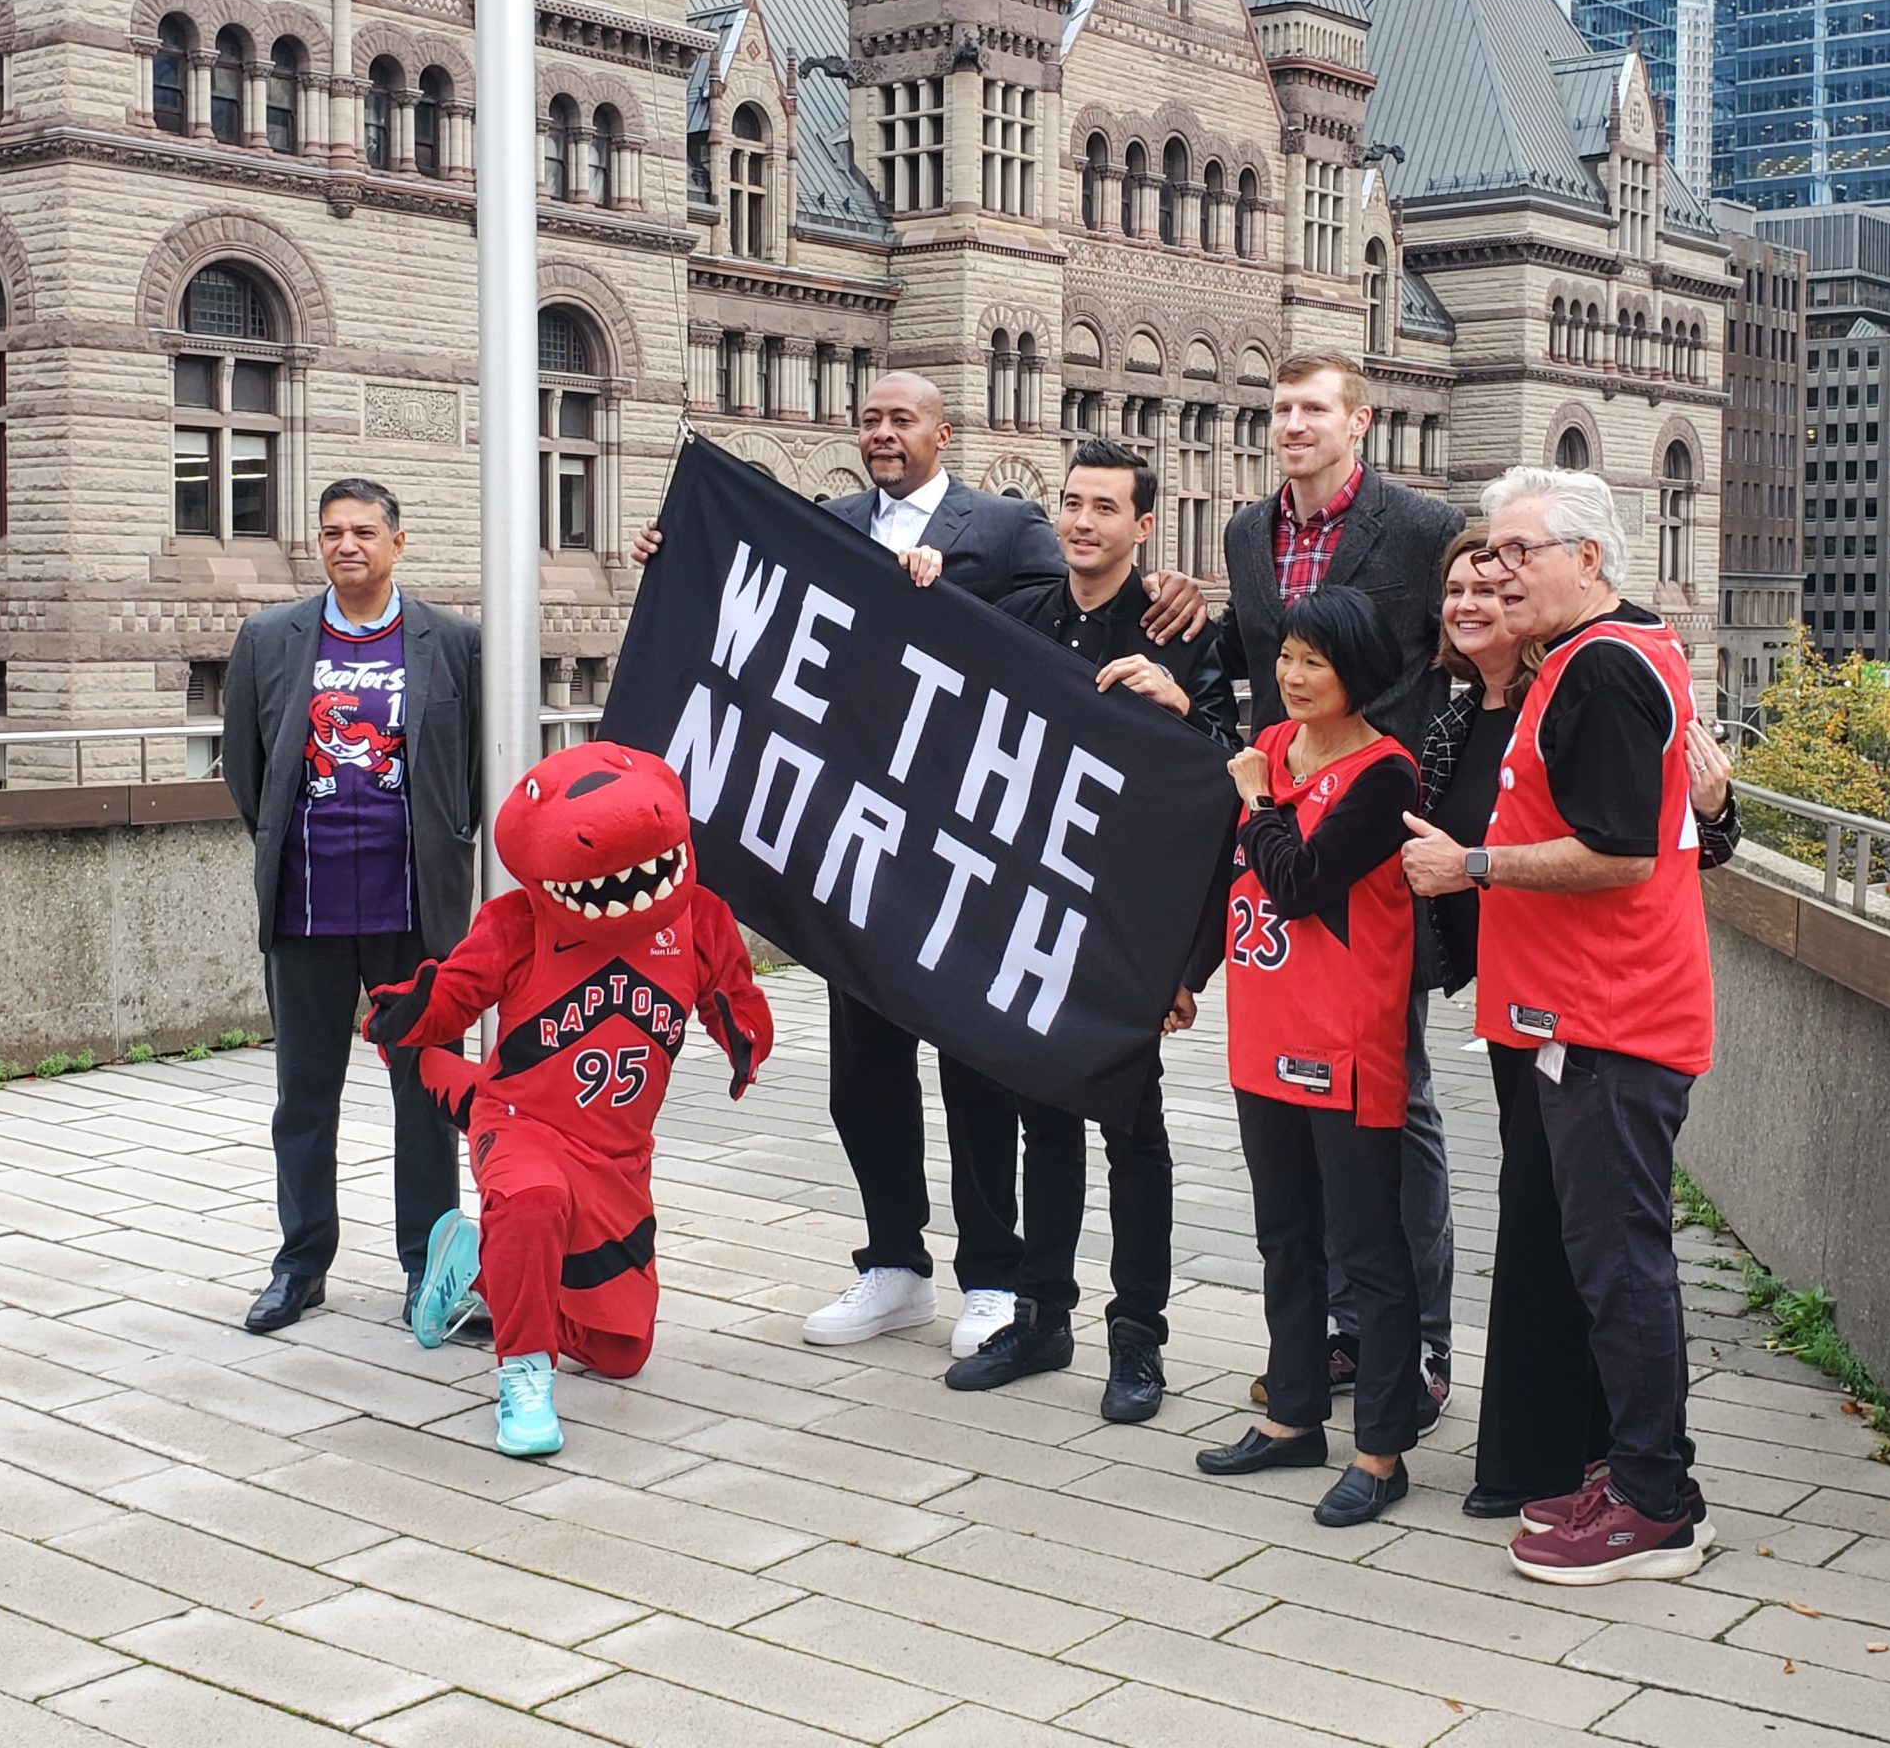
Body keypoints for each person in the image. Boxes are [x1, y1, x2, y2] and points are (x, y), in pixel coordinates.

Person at [633, 372, 1062, 1358]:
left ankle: (993, 1277)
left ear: (943, 433)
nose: (881, 433)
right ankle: (894, 1264)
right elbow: (746, 603)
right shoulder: (824, 524)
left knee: (974, 1073)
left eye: (901, 419)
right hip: (854, 839)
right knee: (863, 1073)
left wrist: (948, 595)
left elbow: (1056, 637)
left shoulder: (1004, 529)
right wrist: (676, 555)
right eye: (869, 420)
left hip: (960, 845)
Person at [1399, 466, 1715, 1585]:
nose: (1498, 569)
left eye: (1518, 551)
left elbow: (1620, 852)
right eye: (1490, 551)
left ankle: (1655, 1504)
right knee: (1605, 1259)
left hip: (1609, 1017)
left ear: (1586, 559)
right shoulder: (1605, 654)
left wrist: (1473, 865)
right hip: (1583, 1013)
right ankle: (1629, 1473)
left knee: (1622, 1265)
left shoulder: (1601, 668)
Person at [1141, 353, 1460, 1430]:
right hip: (1279, 827)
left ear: (1358, 422)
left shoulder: (1420, 527)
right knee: (1295, 1107)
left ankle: (1417, 1340)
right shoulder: (1247, 533)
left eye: (1313, 409)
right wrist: (1186, 619)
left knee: (1393, 1101)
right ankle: (1334, 1333)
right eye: (1279, 409)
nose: (1292, 425)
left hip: (1371, 843)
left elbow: (1457, 653)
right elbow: (1256, 658)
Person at [363, 743, 772, 1458]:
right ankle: (524, 1377)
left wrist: (743, 1039)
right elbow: (458, 989)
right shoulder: (519, 922)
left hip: (618, 1156)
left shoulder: (697, 919)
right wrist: (410, 1014)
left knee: (621, 1353)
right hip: (522, 1122)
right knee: (533, 1199)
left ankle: (476, 1264)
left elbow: (730, 990)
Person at [942, 438, 1238, 1421]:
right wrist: (913, 570)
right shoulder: (1022, 614)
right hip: (1028, 911)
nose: (1082, 521)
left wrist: (1190, 965)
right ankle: (1042, 1316)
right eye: (1072, 502)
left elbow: (1225, 794)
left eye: (1105, 508)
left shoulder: (1178, 632)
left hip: (1125, 927)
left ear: (1142, 526)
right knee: (1043, 1118)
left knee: (1132, 1129)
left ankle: (1138, 1336)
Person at [222, 478, 482, 1334]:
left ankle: (427, 1269)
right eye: (333, 532)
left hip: (415, 912)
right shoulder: (269, 639)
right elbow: (247, 770)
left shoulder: (453, 642)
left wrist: (445, 839)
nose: (347, 546)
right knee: (304, 1097)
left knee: (426, 1095)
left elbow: (472, 773)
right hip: (306, 910)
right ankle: (300, 1266)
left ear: (397, 543)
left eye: (365, 532)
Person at [1191, 586, 1426, 1529]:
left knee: (1366, 1251)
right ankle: (1292, 1417)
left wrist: (1255, 799)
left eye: (1313, 662)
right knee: (1284, 1239)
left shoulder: (1385, 775)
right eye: (1285, 656)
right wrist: (1187, 977)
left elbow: (1297, 883)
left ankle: (1381, 1451)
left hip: (1344, 1040)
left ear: (1356, 673)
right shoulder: (1275, 747)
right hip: (1263, 1030)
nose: (1290, 676)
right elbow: (1234, 881)